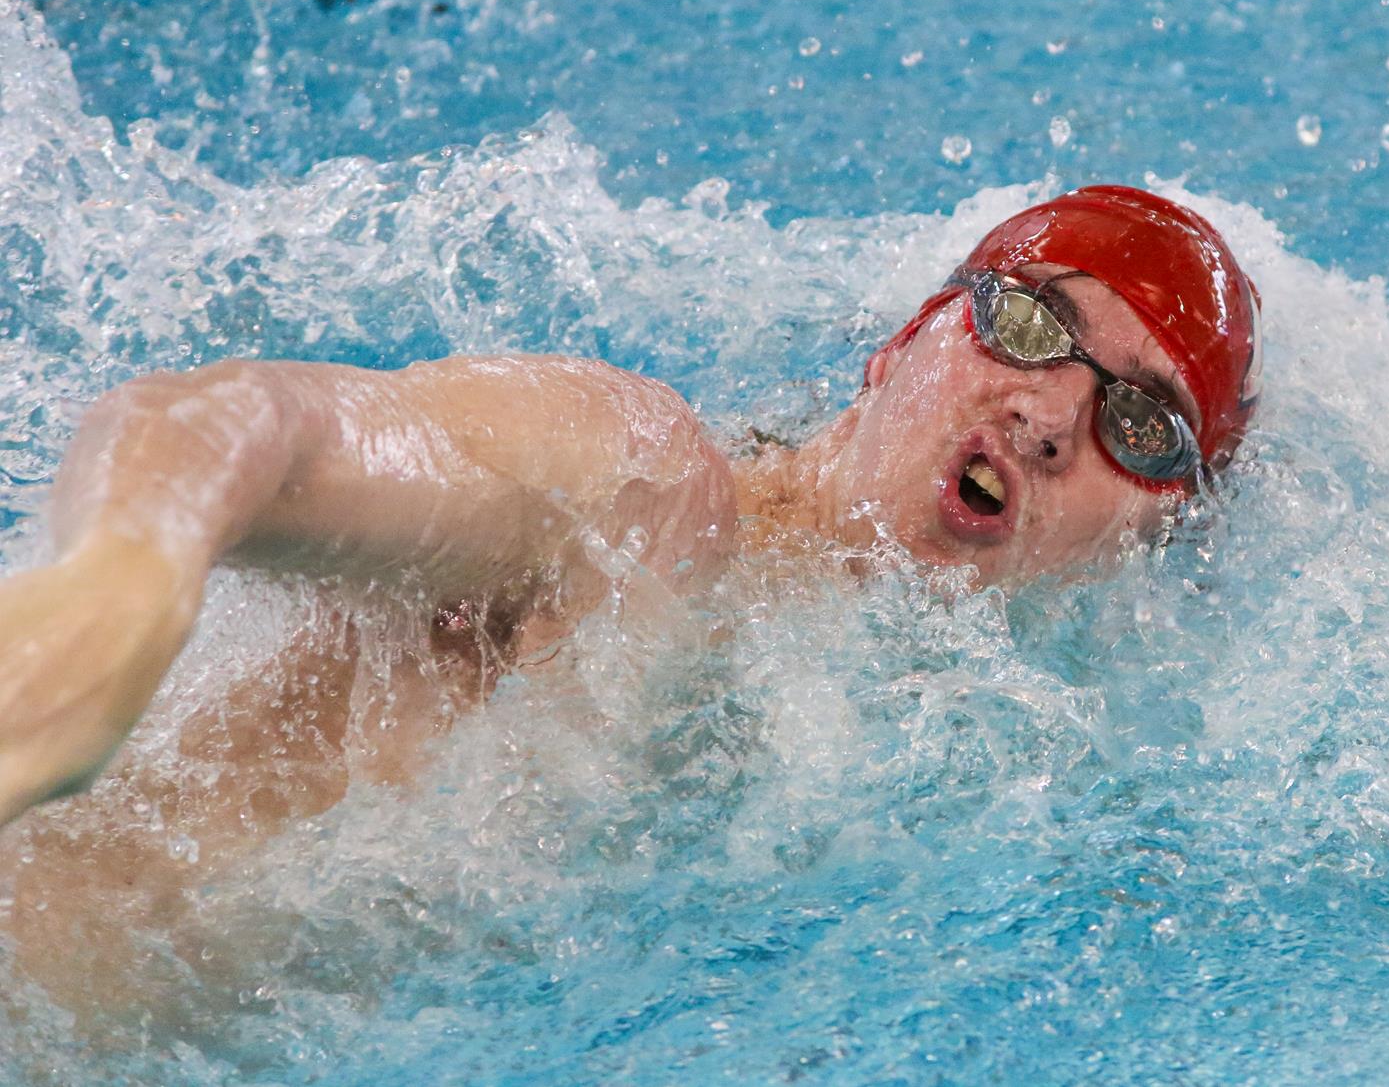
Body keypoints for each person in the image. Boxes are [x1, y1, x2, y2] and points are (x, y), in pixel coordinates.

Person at [0, 183, 1260, 839]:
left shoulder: (922, 762)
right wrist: (126, 575)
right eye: (1027, 320)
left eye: (1141, 426)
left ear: (1144, 539)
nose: (1051, 414)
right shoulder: (643, 492)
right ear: (902, 343)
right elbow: (253, 421)